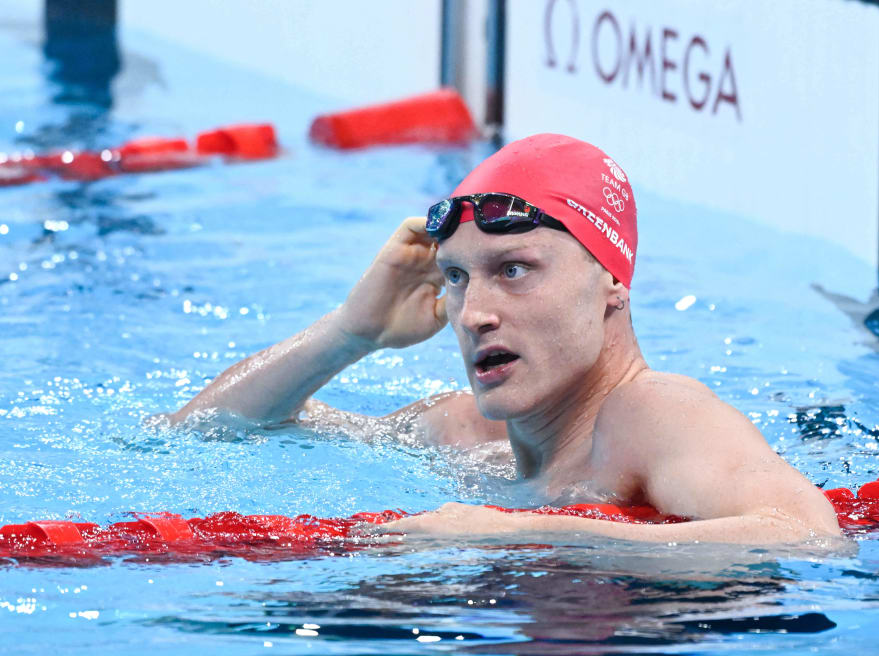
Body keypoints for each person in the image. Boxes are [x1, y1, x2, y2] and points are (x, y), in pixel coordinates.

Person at [168, 133, 842, 544]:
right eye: (456, 277)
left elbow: (805, 534)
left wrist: (514, 533)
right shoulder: (463, 433)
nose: (472, 314)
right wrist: (351, 333)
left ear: (610, 280)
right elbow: (206, 432)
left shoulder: (651, 415)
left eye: (514, 270)